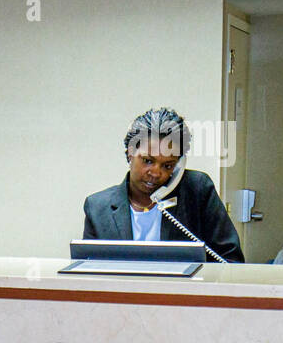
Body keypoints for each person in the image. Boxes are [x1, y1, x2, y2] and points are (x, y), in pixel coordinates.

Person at [82, 107, 243, 262]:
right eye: (148, 161)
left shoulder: (197, 191)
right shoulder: (97, 207)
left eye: (167, 165)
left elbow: (230, 260)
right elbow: (86, 273)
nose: (156, 173)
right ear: (130, 153)